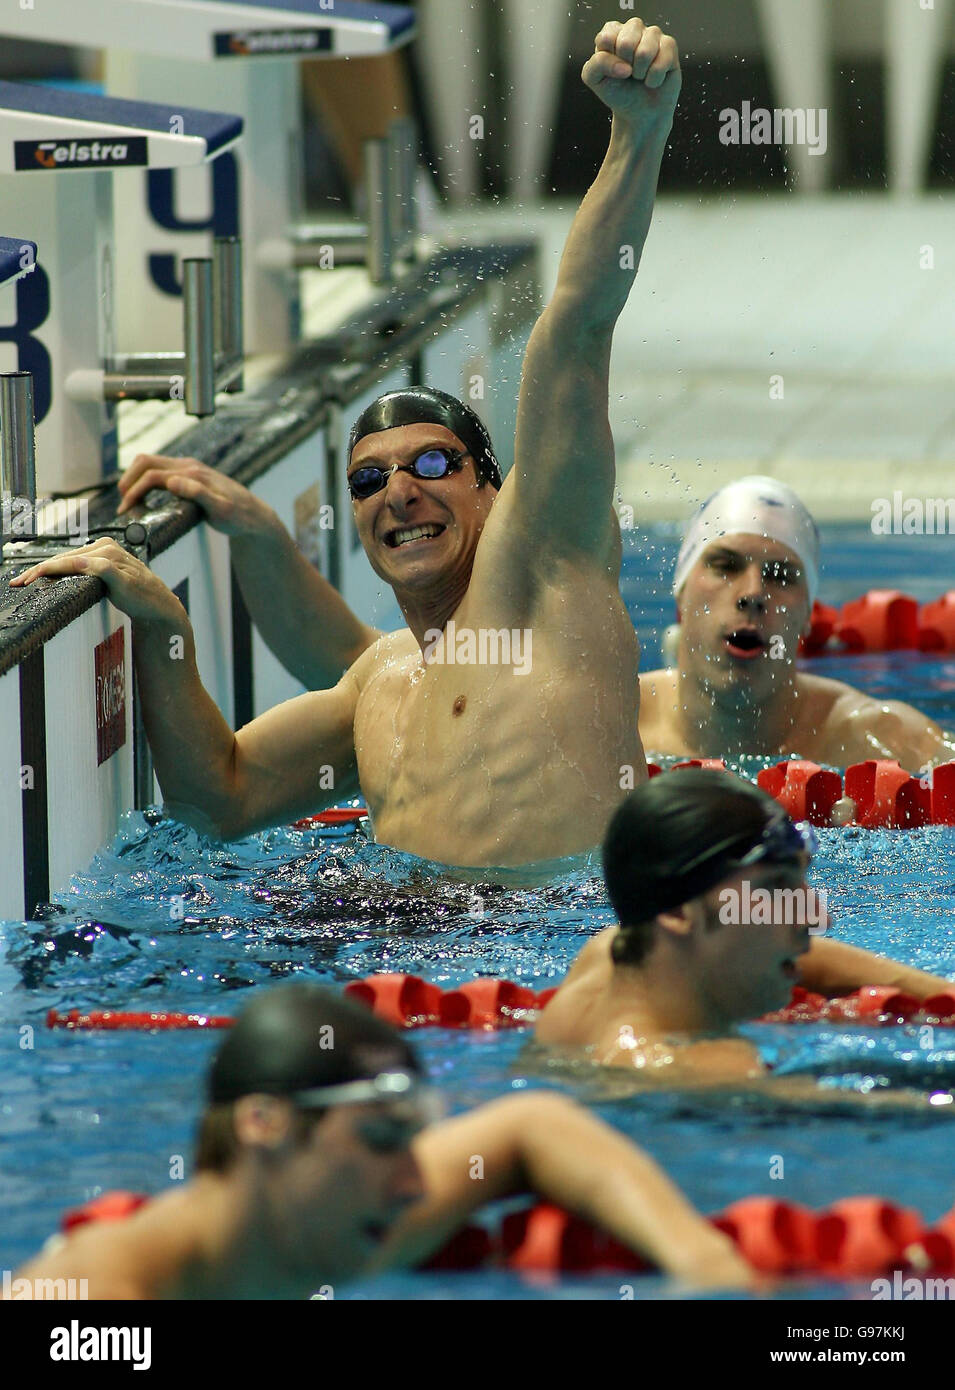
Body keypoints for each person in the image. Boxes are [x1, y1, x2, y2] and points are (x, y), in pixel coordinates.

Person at [13, 16, 680, 871]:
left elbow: (575, 327)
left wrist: (636, 131)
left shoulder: (546, 577)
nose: (400, 492)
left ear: (497, 489)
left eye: (434, 464)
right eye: (369, 480)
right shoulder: (377, 686)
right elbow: (217, 799)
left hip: (544, 971)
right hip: (406, 968)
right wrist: (162, 620)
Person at [8, 984, 750, 1298]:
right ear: (264, 1126)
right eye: (382, 1140)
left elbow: (534, 1124)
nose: (415, 1184)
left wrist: (703, 1261)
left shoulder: (323, 1222)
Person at [536, 768, 955, 1083]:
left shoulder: (612, 958)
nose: (817, 916)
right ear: (680, 912)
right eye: (775, 887)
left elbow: (792, 952)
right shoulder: (702, 1070)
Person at [638, 477, 952, 769]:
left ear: (807, 616)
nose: (753, 594)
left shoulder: (885, 741)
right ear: (681, 593)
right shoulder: (613, 722)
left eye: (780, 576)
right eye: (726, 566)